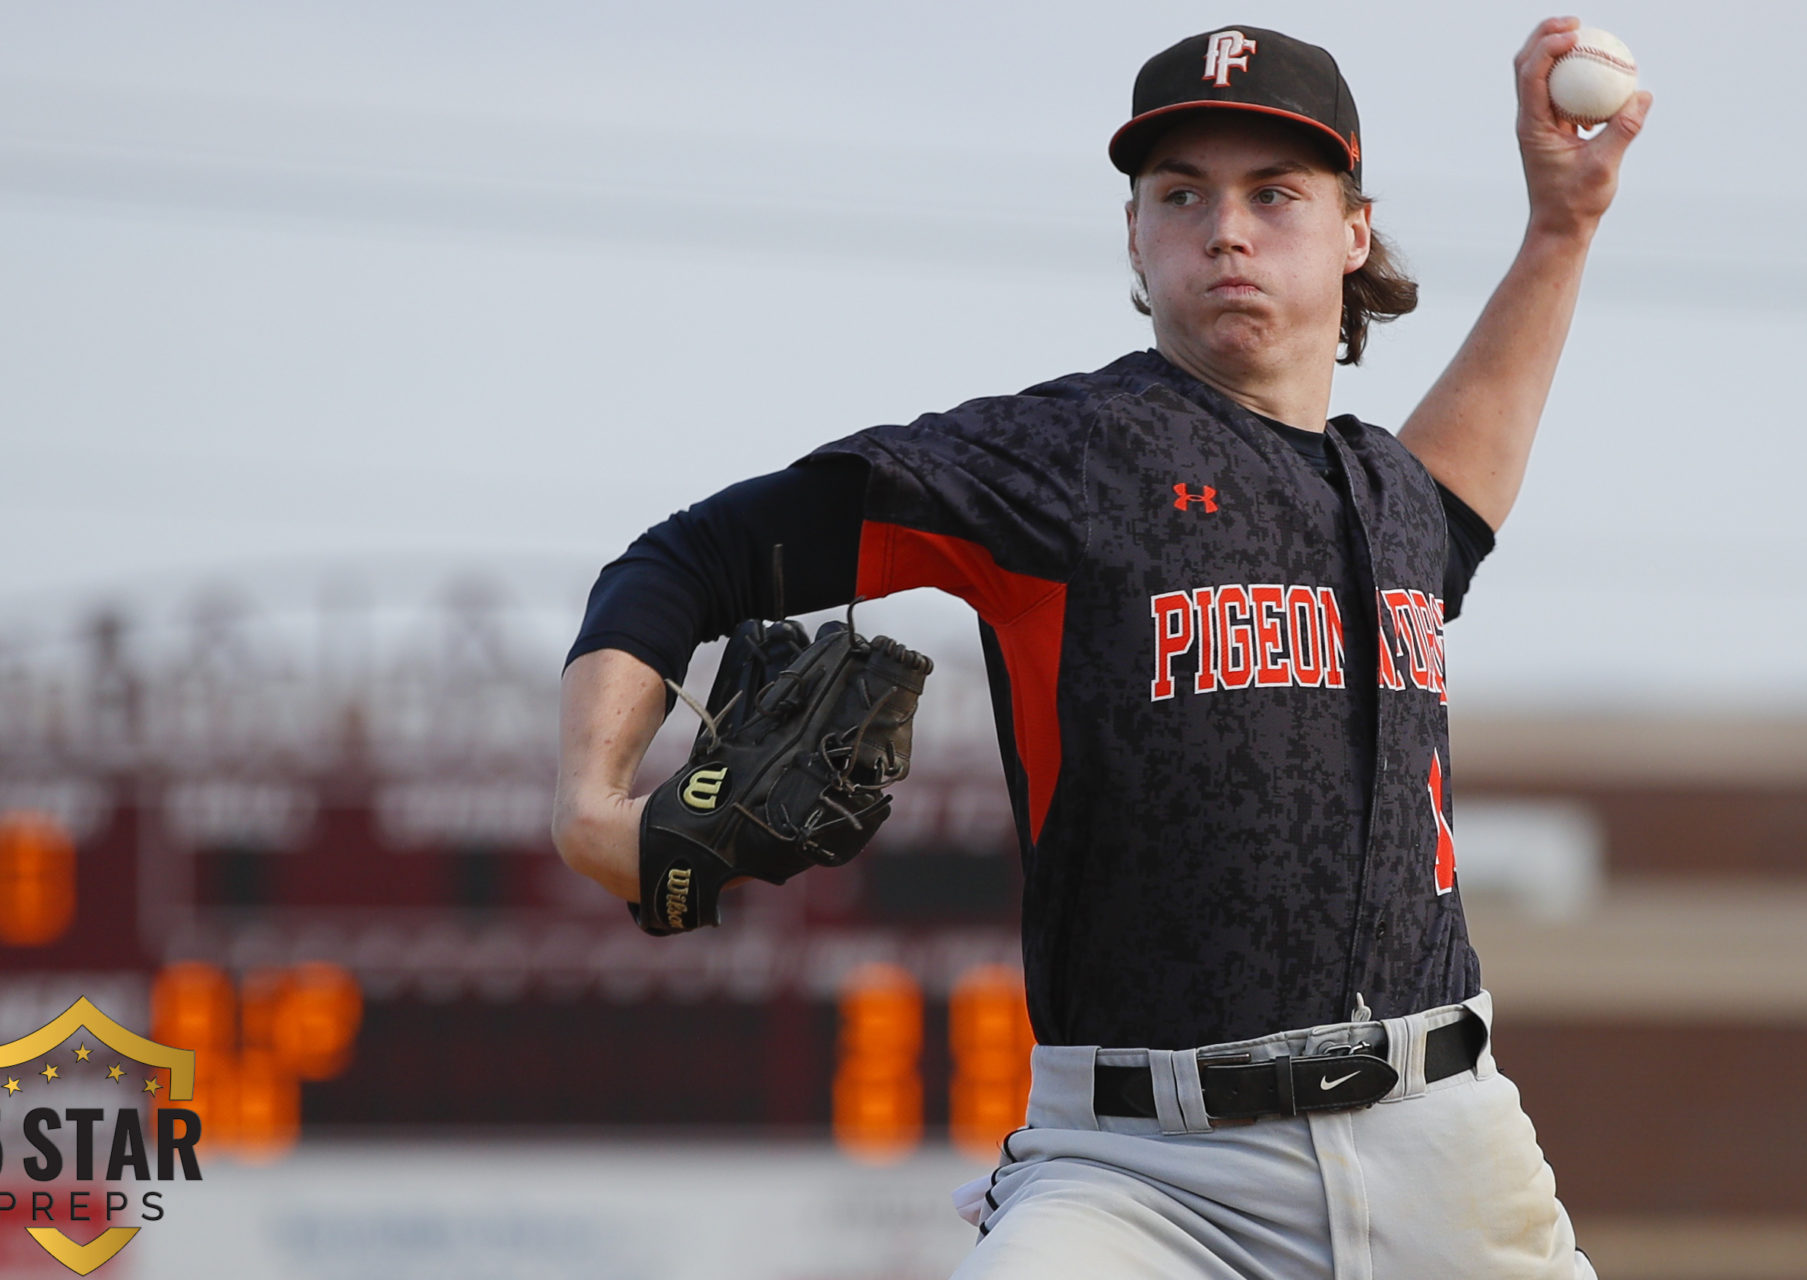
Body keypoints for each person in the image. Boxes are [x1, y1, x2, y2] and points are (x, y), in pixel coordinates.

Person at [554, 18, 1649, 1279]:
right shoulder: (1070, 458)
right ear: (1135, 234)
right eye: (1182, 195)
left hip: (1446, 1149)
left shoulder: (1393, 498)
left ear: (1355, 231)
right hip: (1146, 1178)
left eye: (1274, 193)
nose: (1226, 230)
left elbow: (1460, 487)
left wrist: (1563, 227)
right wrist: (589, 799)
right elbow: (690, 555)